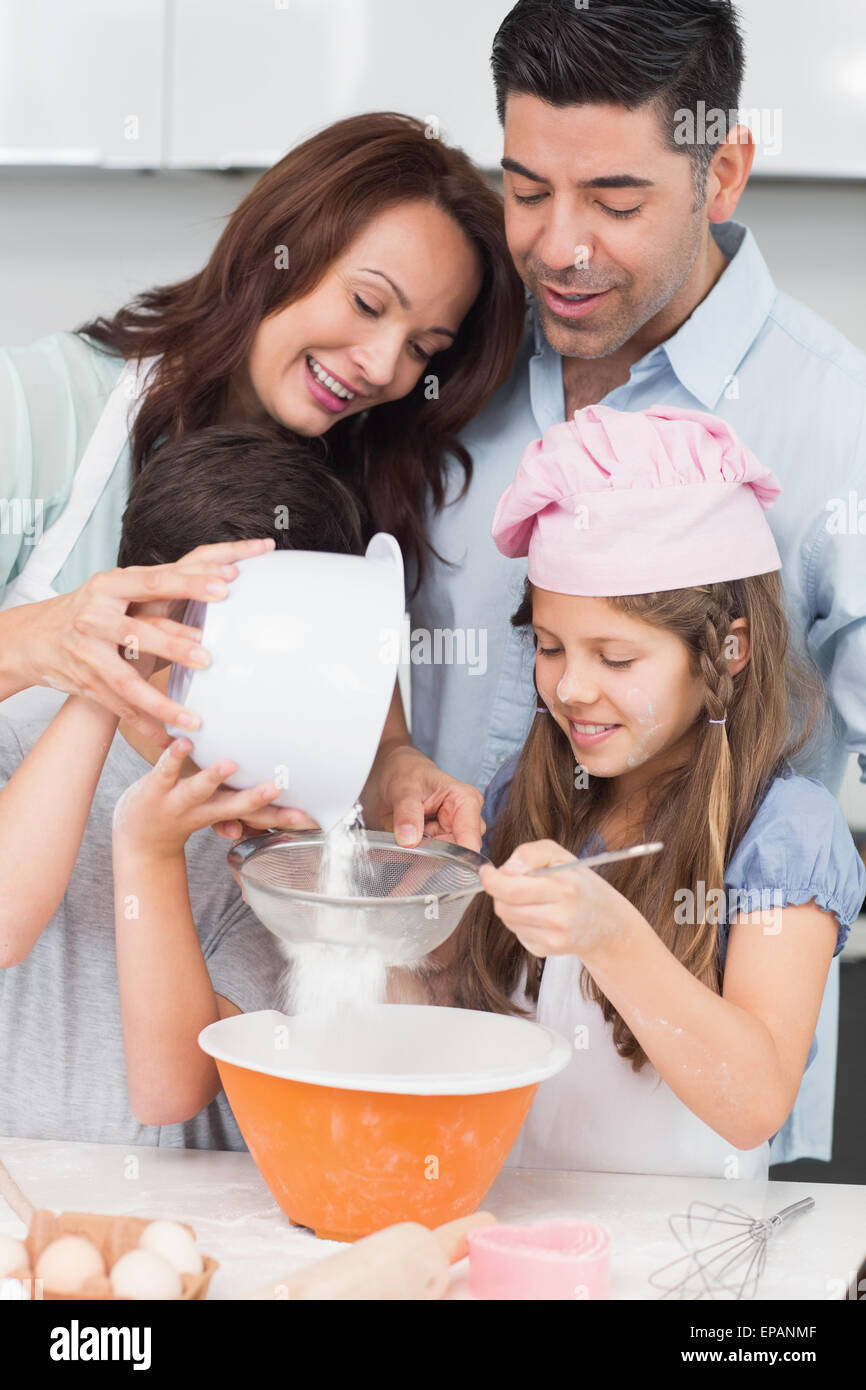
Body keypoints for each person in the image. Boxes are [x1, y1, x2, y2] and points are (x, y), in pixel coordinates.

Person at [409, 0, 866, 1164]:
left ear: (721, 170)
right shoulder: (437, 363)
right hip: (457, 1099)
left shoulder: (836, 422)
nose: (559, 245)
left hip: (700, 1144)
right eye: (524, 191)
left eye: (614, 202)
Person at [0, 110, 527, 851]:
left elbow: (368, 745)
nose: (382, 367)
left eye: (422, 347)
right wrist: (33, 641)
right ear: (278, 249)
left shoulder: (358, 487)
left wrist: (400, 774)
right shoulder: (45, 407)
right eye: (367, 304)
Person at [446, 405, 865, 1179]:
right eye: (548, 647)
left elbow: (754, 1101)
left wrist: (612, 934)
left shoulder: (784, 834)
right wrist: (421, 891)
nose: (570, 687)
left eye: (617, 659)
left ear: (727, 650)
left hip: (689, 1266)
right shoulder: (531, 794)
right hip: (522, 1246)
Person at [0, 426, 367, 1144]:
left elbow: (173, 1091)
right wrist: (103, 681)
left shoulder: (283, 818)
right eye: (186, 644)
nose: (208, 694)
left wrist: (152, 852)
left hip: (192, 1215)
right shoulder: (22, 732)